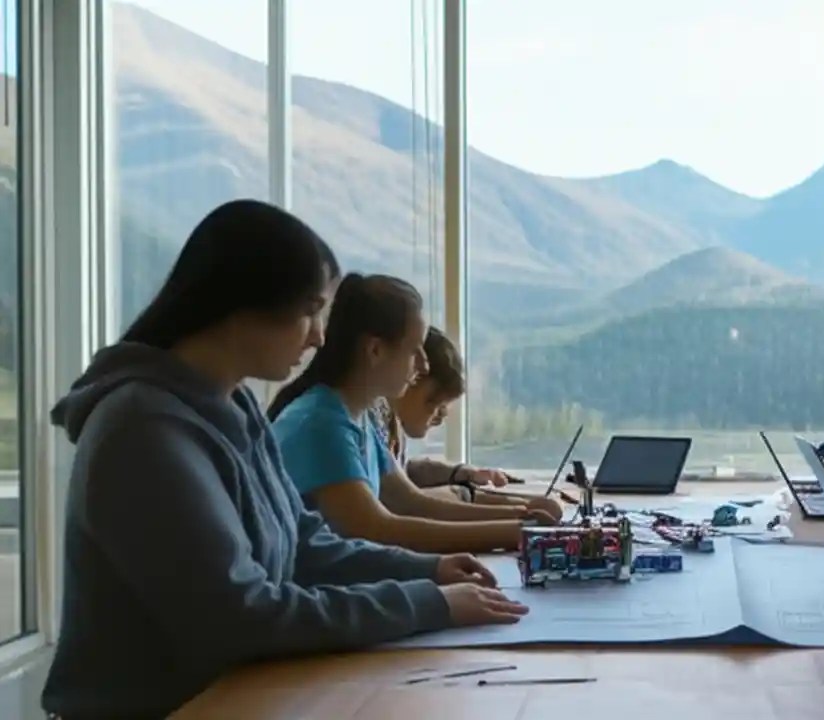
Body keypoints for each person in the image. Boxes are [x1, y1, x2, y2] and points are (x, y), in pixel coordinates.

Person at [42, 200, 527, 719]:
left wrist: (429, 571)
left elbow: (303, 542)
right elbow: (242, 617)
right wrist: (429, 603)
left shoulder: (235, 405)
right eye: (309, 311)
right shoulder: (141, 431)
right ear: (243, 307)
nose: (320, 335)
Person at [268, 273, 556, 555]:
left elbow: (411, 502)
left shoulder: (361, 416)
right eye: (413, 350)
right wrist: (519, 531)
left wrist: (521, 514)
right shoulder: (321, 425)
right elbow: (380, 529)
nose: (423, 364)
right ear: (376, 350)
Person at [373, 326, 563, 518]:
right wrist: (514, 517)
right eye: (434, 401)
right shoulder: (369, 425)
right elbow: (404, 503)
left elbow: (403, 472)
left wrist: (463, 473)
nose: (442, 414)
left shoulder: (391, 422)